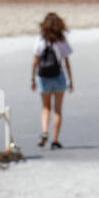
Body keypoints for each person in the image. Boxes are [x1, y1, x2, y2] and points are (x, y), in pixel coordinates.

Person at [30, 12, 74, 149]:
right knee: (57, 110)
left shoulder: (40, 40)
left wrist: (32, 78)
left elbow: (35, 61)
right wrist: (70, 80)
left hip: (43, 77)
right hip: (58, 76)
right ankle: (55, 140)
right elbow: (67, 62)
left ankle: (44, 131)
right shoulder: (61, 40)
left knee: (46, 107)